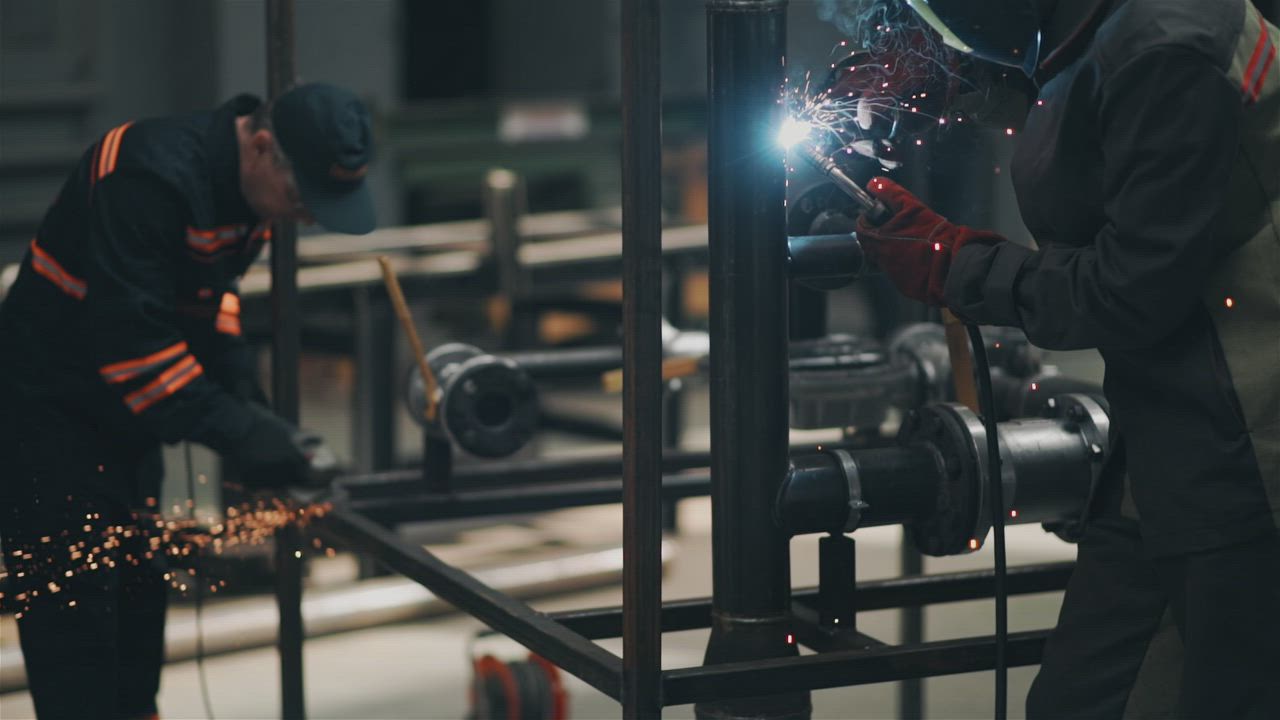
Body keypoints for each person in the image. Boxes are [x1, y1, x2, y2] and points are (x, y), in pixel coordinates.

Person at [860, 0, 1280, 717]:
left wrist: (950, 263)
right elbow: (1096, 109)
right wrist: (957, 80)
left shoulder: (1168, 44)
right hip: (1166, 442)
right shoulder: (1111, 23)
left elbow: (1130, 292)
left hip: (1248, 455)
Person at [0, 82, 374, 719]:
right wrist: (239, 429)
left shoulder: (249, 195)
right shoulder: (146, 177)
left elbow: (209, 305)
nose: (306, 216)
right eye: (301, 196)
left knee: (139, 601)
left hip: (126, 422)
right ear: (261, 147)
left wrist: (252, 412)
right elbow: (136, 354)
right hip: (50, 417)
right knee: (78, 625)